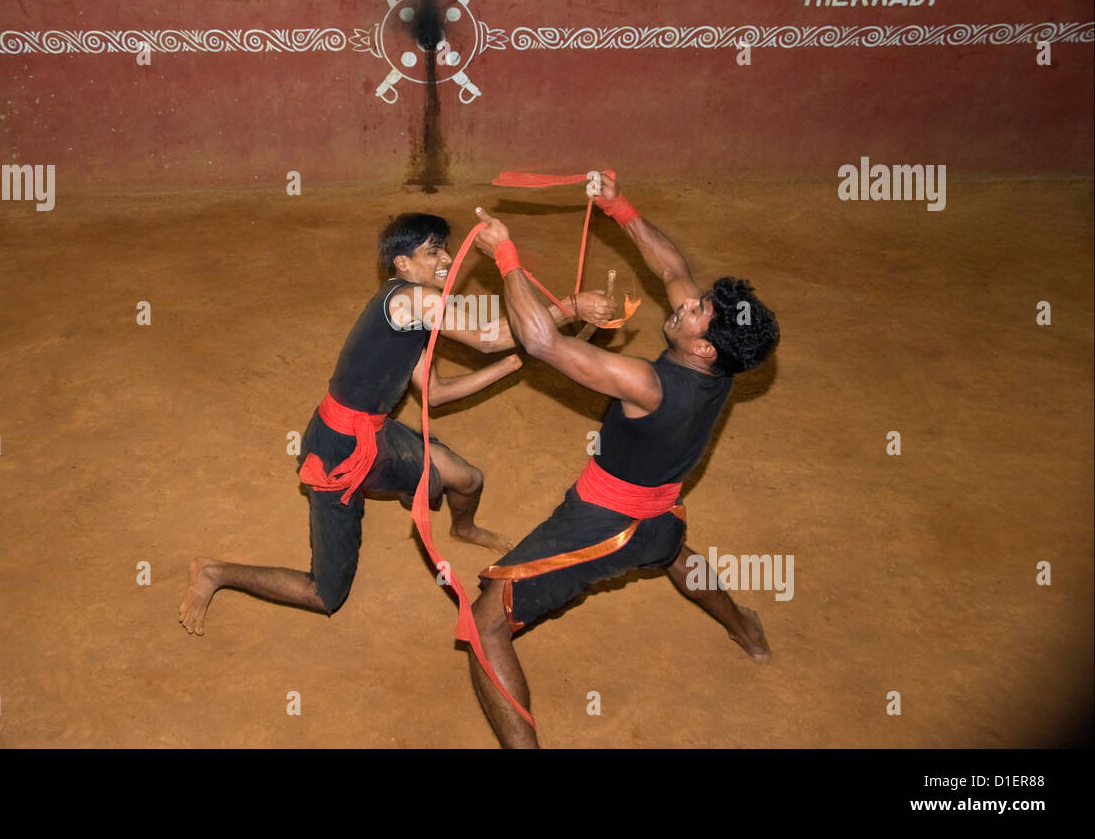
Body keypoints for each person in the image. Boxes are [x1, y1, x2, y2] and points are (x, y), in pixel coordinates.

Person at [179, 212, 615, 634]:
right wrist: (571, 306)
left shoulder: (415, 311)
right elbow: (491, 338)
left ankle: (464, 528)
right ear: (402, 264)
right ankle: (214, 571)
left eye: (444, 249)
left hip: (375, 434)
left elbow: (436, 391)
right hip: (337, 450)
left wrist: (506, 367)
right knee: (324, 594)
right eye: (432, 252)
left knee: (467, 478)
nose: (446, 260)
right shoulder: (412, 298)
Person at [467, 173, 780, 747]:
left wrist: (504, 255)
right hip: (660, 512)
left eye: (698, 312)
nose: (687, 304)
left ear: (704, 345)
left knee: (485, 626)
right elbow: (669, 268)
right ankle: (749, 634)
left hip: (602, 525)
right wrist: (620, 207)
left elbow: (541, 343)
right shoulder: (719, 366)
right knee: (669, 551)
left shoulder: (647, 383)